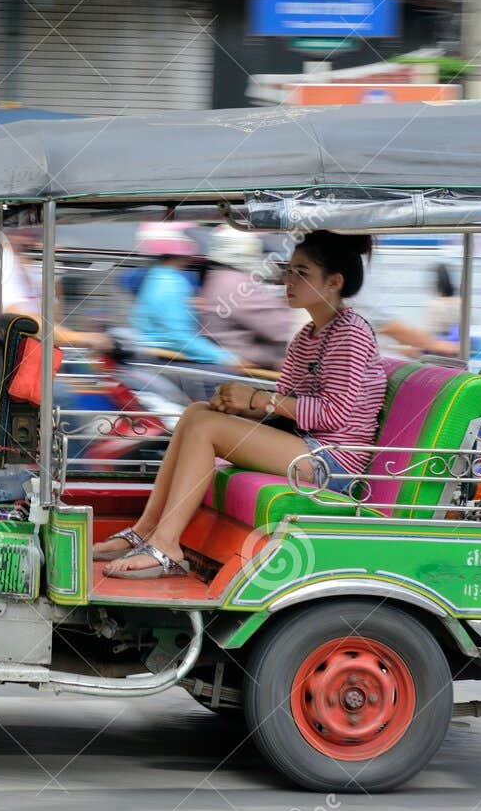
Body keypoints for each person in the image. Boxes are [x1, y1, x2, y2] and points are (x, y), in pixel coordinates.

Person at [96, 231, 386, 579]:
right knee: (196, 414)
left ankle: (166, 546)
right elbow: (283, 405)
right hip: (307, 447)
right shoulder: (306, 336)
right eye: (289, 270)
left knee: (206, 428)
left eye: (301, 273)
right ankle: (144, 530)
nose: (286, 281)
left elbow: (333, 413)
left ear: (334, 282)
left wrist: (257, 398)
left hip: (333, 463)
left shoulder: (350, 334)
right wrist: (239, 405)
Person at [127, 227, 242, 370]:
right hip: (168, 358)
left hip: (157, 356)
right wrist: (227, 358)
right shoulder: (172, 284)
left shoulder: (156, 276)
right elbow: (179, 336)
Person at [197, 226, 298, 371]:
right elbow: (280, 328)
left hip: (230, 355)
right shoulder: (237, 283)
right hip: (245, 363)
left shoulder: (216, 277)